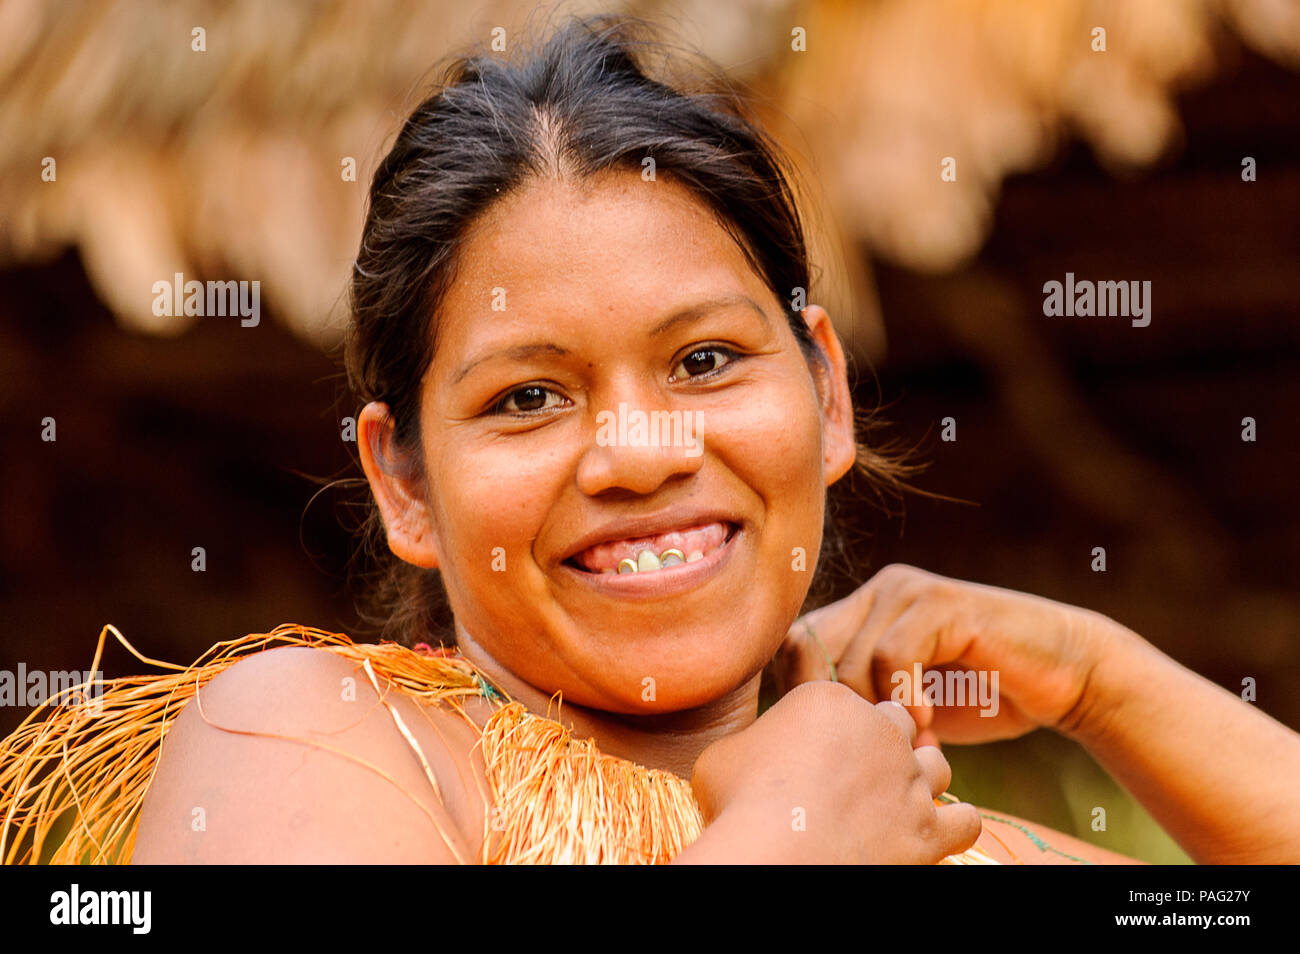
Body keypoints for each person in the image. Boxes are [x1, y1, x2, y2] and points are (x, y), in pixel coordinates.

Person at [4, 15, 1297, 866]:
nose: (635, 449)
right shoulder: (316, 739)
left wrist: (1102, 679)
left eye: (704, 360)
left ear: (828, 394)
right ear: (401, 478)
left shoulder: (950, 838)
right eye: (527, 396)